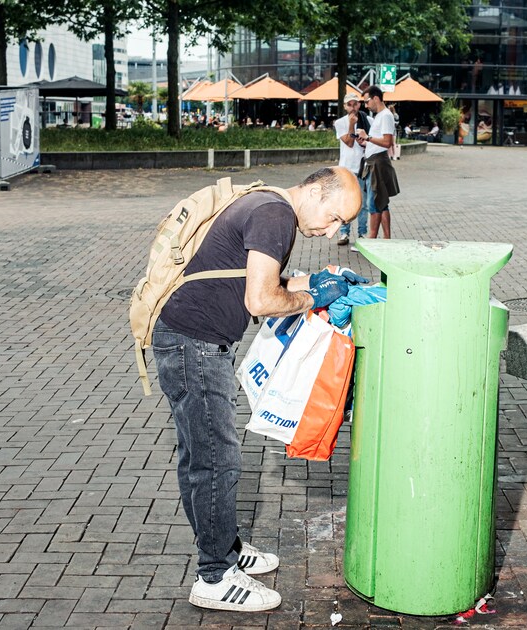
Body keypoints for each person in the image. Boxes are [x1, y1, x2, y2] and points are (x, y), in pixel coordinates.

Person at [153, 167, 363, 612]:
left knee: (201, 457)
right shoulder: (276, 216)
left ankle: (225, 548)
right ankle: (214, 576)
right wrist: (313, 299)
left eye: (341, 225)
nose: (333, 230)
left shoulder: (265, 203)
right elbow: (262, 300)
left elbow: (254, 279)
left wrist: (318, 283)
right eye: (335, 217)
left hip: (187, 338)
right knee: (216, 461)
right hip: (195, 344)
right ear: (314, 190)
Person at [361, 86, 400, 240]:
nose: (366, 105)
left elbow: (387, 142)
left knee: (374, 203)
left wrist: (368, 138)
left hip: (378, 162)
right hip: (375, 161)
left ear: (375, 98)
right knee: (381, 202)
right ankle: (386, 239)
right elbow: (380, 141)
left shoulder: (385, 116)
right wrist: (366, 141)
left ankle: (372, 239)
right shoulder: (380, 116)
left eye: (366, 101)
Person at [335, 93, 370, 249]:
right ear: (344, 106)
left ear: (359, 105)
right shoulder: (340, 122)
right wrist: (351, 125)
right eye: (349, 104)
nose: (353, 107)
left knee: (363, 202)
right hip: (346, 168)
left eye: (355, 104)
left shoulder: (369, 120)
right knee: (345, 201)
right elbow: (349, 143)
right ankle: (344, 232)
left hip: (363, 167)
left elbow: (372, 141)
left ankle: (362, 233)